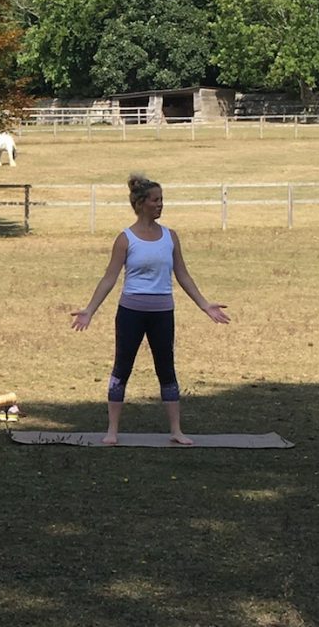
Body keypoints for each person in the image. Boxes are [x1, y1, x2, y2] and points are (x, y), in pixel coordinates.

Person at [69, 174, 229, 445]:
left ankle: (176, 431)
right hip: (131, 313)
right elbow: (109, 278)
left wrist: (204, 305)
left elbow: (183, 275)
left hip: (162, 314)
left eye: (162, 199)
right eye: (155, 200)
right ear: (141, 203)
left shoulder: (170, 237)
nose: (160, 204)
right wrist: (90, 310)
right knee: (122, 368)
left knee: (166, 369)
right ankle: (112, 431)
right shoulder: (125, 239)